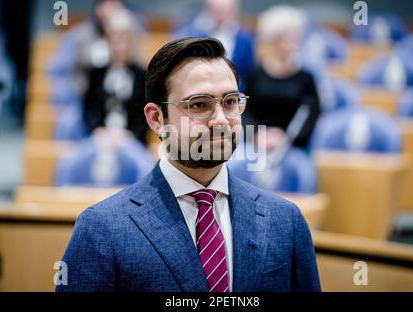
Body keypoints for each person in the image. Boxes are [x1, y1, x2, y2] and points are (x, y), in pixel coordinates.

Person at [56, 37, 321, 292]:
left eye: (230, 102)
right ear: (156, 118)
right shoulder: (101, 229)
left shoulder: (287, 221)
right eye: (198, 105)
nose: (220, 120)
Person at [244, 5, 320, 150]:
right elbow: (245, 111)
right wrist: (258, 134)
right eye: (288, 36)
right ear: (274, 39)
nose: (295, 41)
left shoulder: (306, 78)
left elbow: (309, 116)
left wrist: (285, 139)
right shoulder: (255, 75)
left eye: (297, 35)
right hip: (256, 144)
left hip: (293, 147)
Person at [83, 9, 148, 144]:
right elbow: (89, 109)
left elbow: (145, 117)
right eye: (115, 38)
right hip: (99, 139)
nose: (120, 45)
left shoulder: (143, 76)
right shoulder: (96, 73)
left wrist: (130, 134)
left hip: (132, 141)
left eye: (125, 39)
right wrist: (97, 130)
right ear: (107, 40)